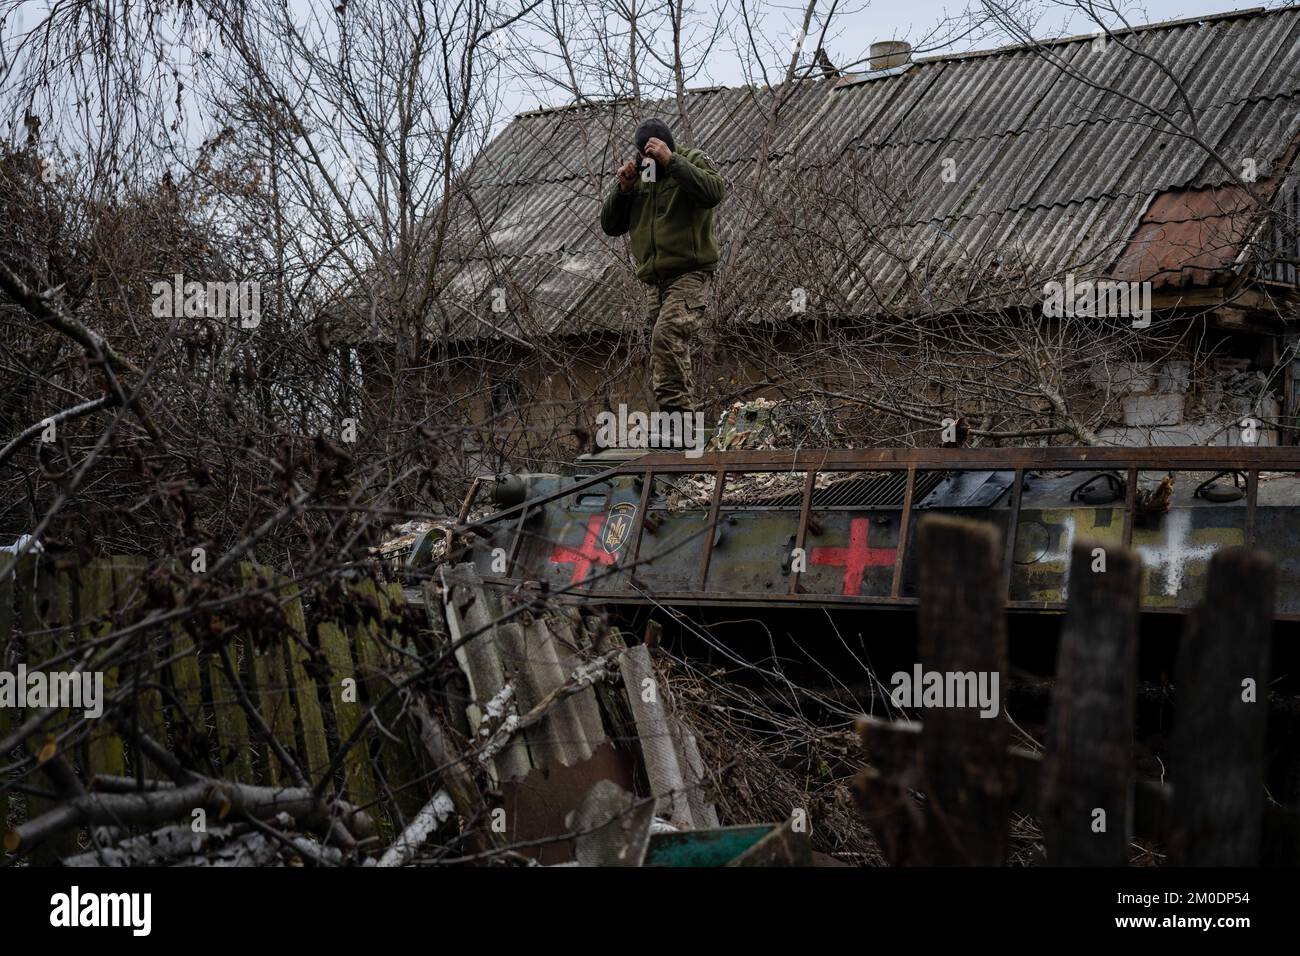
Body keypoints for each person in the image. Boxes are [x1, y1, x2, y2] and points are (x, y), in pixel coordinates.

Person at [600, 118, 726, 439]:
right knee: (663, 350)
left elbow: (714, 192)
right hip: (656, 283)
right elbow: (611, 225)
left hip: (690, 273)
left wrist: (673, 162)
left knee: (666, 336)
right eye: (646, 156)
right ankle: (678, 421)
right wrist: (624, 189)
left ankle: (677, 422)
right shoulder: (641, 177)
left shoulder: (690, 161)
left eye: (655, 153)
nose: (651, 162)